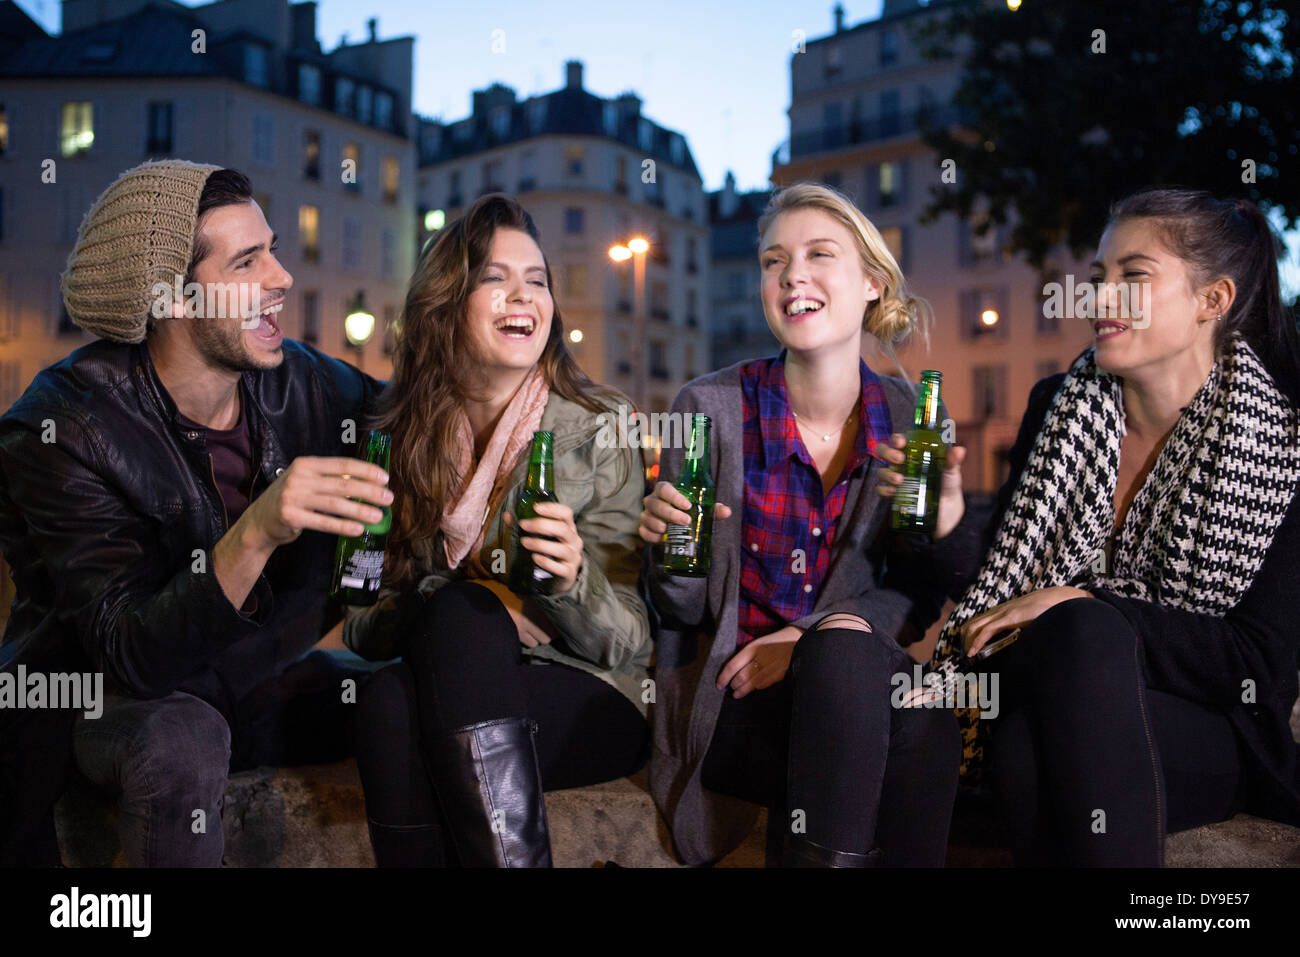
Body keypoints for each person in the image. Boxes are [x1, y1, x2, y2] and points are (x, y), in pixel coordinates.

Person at [886, 187, 1300, 866]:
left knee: (1073, 640)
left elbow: (1253, 662)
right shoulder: (1057, 406)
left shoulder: (1285, 442)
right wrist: (950, 515)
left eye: (1133, 277)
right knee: (1021, 744)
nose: (1099, 300)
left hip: (1209, 726)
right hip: (1046, 699)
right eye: (1099, 278)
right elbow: (995, 589)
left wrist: (1090, 605)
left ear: (1212, 300)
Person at [0, 161, 389, 866]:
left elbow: (418, 414)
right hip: (107, 696)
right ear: (170, 298)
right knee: (182, 739)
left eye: (272, 248)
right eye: (248, 261)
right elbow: (132, 651)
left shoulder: (302, 378)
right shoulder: (64, 427)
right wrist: (260, 529)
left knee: (406, 694)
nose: (282, 278)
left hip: (256, 679)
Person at [642, 183, 964, 867]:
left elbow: (916, 591)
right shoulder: (708, 407)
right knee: (919, 723)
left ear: (874, 282)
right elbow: (681, 609)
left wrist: (807, 638)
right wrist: (671, 552)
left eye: (821, 254)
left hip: (850, 681)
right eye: (773, 261)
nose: (793, 275)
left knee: (886, 690)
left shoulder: (914, 418)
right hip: (735, 695)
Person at [343, 194, 651, 868]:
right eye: (495, 278)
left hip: (589, 689)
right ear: (446, 302)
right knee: (388, 702)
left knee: (444, 634)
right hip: (451, 683)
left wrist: (568, 584)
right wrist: (481, 600)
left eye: (537, 280)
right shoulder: (401, 436)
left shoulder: (601, 424)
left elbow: (629, 639)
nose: (524, 296)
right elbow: (362, 623)